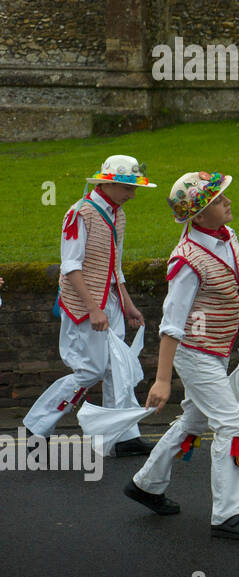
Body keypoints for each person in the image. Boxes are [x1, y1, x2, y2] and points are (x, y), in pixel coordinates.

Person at [125, 172, 239, 539]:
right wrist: (162, 379)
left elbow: (236, 290)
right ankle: (228, 515)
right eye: (220, 200)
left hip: (217, 347)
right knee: (231, 425)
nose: (229, 202)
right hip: (194, 352)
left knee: (193, 423)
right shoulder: (186, 261)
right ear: (200, 216)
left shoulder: (228, 237)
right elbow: (172, 324)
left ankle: (146, 485)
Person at [23, 155, 155, 456]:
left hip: (110, 302)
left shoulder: (117, 214)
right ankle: (36, 426)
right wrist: (93, 308)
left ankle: (122, 436)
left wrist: (127, 304)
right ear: (109, 184)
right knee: (90, 370)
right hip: (84, 304)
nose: (133, 194)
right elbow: (70, 267)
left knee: (116, 369)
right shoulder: (80, 214)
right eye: (128, 188)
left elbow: (114, 267)